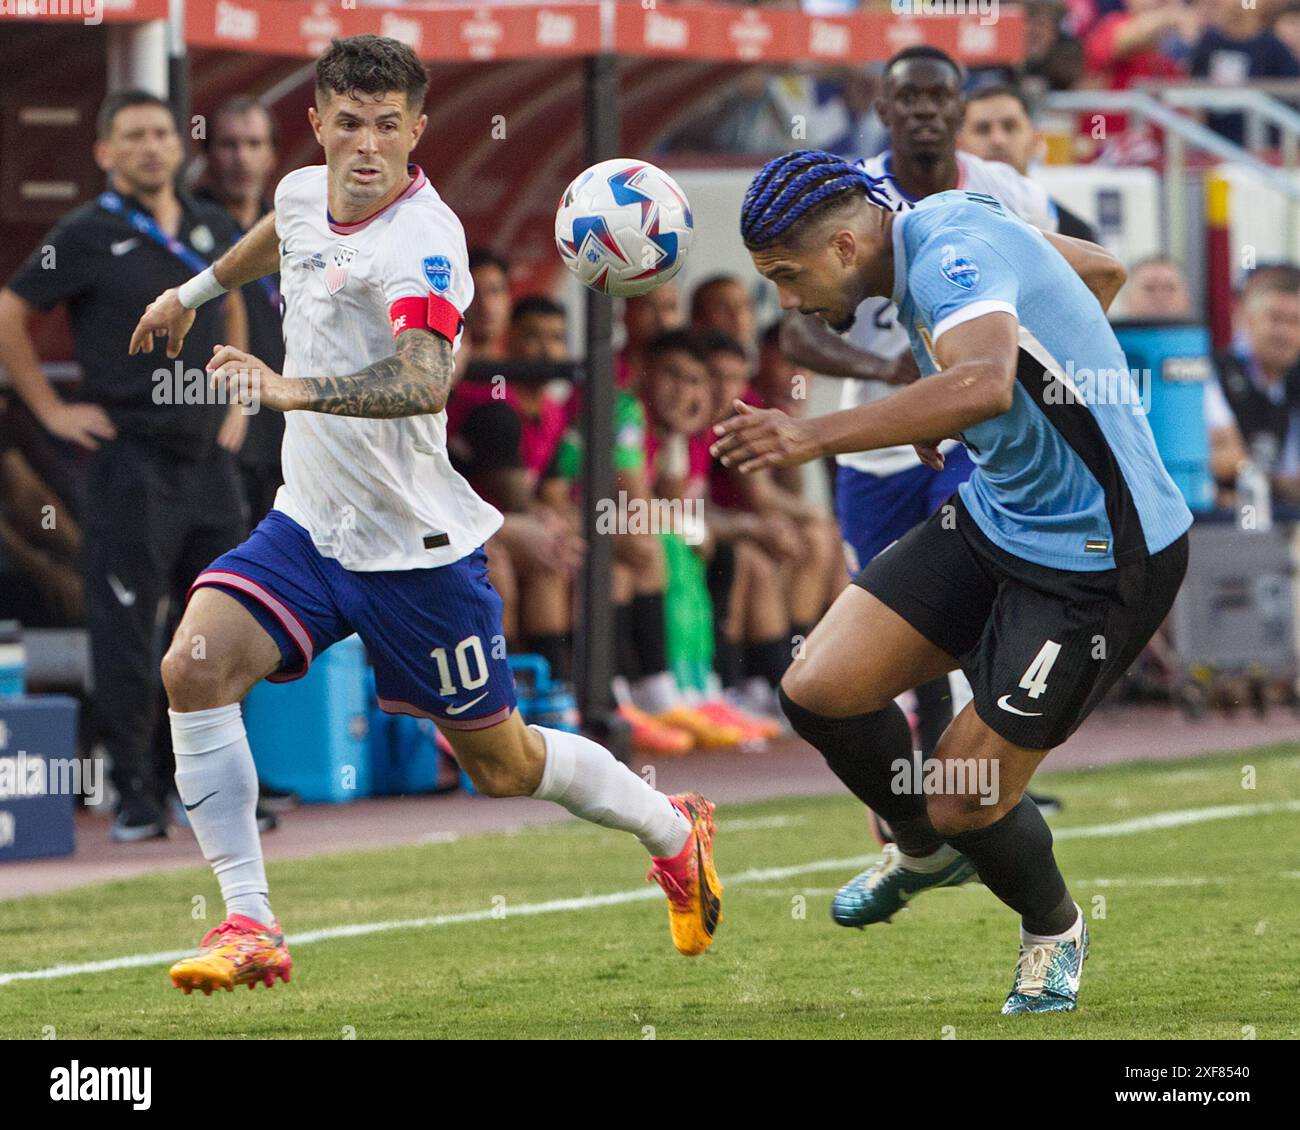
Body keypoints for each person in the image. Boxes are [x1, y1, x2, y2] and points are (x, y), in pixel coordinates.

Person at [128, 35, 722, 995]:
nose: (367, 146)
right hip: (310, 526)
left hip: (417, 548)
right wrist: (191, 291)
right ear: (317, 122)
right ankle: (250, 922)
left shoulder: (425, 239)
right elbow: (282, 234)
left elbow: (420, 377)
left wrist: (290, 391)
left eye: (388, 126)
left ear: (418, 129)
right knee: (192, 667)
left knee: (502, 762)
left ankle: (671, 828)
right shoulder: (295, 190)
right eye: (349, 124)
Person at [721, 149, 1191, 1013]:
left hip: (1099, 559)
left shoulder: (945, 258)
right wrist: (1023, 416)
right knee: (818, 689)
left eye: (788, 275)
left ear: (845, 245)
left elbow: (982, 379)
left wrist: (817, 435)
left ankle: (1053, 931)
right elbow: (1098, 269)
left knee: (965, 797)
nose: (787, 301)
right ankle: (920, 852)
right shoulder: (938, 225)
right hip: (994, 516)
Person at [780, 45, 1064, 844]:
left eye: (942, 97)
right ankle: (921, 786)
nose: (926, 112)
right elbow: (796, 329)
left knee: (971, 588)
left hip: (969, 433)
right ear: (885, 109)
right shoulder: (851, 196)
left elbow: (1062, 283)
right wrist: (884, 363)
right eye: (910, 99)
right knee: (901, 614)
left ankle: (987, 777)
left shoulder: (1003, 190)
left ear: (961, 105)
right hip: (873, 448)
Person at [0, 89, 249, 843]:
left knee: (228, 625)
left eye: (163, 133)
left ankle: (225, 792)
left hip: (209, 460)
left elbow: (233, 301)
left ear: (180, 146)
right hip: (129, 461)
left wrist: (239, 404)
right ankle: (136, 795)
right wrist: (49, 410)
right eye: (134, 136)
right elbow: (10, 312)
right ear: (105, 152)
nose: (152, 147)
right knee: (128, 628)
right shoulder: (83, 233)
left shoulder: (212, 223)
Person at [195, 96, 287, 528]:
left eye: (253, 144)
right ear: (208, 152)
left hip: (291, 431)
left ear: (271, 154)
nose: (241, 157)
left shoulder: (296, 227)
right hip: (219, 433)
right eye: (229, 144)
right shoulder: (187, 225)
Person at [1205, 266, 1300, 507]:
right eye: (1275, 319)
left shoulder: (1292, 380)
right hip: (1218, 526)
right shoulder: (1213, 372)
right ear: (1248, 320)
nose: (1284, 332)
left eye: (1294, 322)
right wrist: (1278, 483)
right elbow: (1224, 462)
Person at [960, 83, 1099, 242]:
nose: (998, 140)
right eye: (983, 129)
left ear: (1036, 140)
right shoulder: (941, 226)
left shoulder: (1076, 235)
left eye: (1010, 127)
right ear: (959, 145)